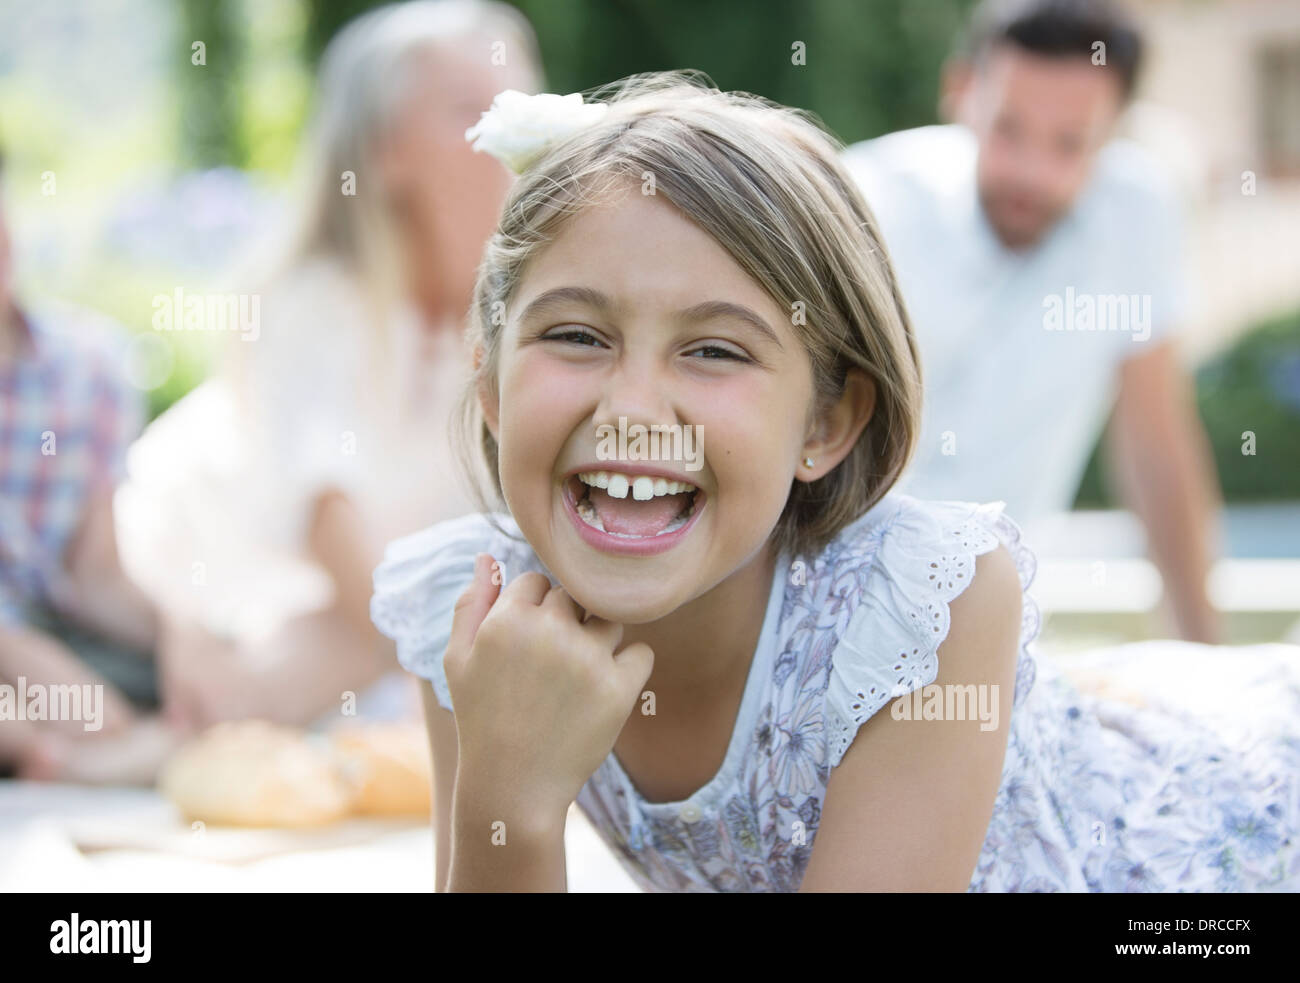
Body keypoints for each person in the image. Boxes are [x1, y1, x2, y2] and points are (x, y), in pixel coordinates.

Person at [369, 73, 1300, 892]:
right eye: (576, 334)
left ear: (826, 422)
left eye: (714, 349)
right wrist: (511, 800)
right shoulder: (476, 618)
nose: (633, 409)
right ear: (490, 383)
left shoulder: (923, 606)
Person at [30, 0, 543, 784]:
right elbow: (329, 523)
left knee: (374, 633)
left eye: (520, 103)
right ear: (384, 155)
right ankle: (168, 744)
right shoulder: (314, 299)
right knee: (353, 633)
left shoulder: (514, 324)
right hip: (176, 598)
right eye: (468, 111)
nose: (511, 138)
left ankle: (172, 744)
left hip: (337, 624)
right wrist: (441, 666)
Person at [841, 0, 1224, 643]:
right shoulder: (864, 201)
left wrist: (1205, 657)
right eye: (1008, 129)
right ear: (960, 92)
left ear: (1116, 131)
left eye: (1070, 142)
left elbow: (1157, 448)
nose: (1031, 172)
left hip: (990, 624)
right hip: (826, 597)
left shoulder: (1137, 214)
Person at [0, 141, 186, 778]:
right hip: (21, 646)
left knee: (211, 665)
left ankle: (69, 746)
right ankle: (52, 751)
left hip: (57, 631)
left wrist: (183, 636)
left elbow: (95, 571)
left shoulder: (88, 365)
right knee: (71, 701)